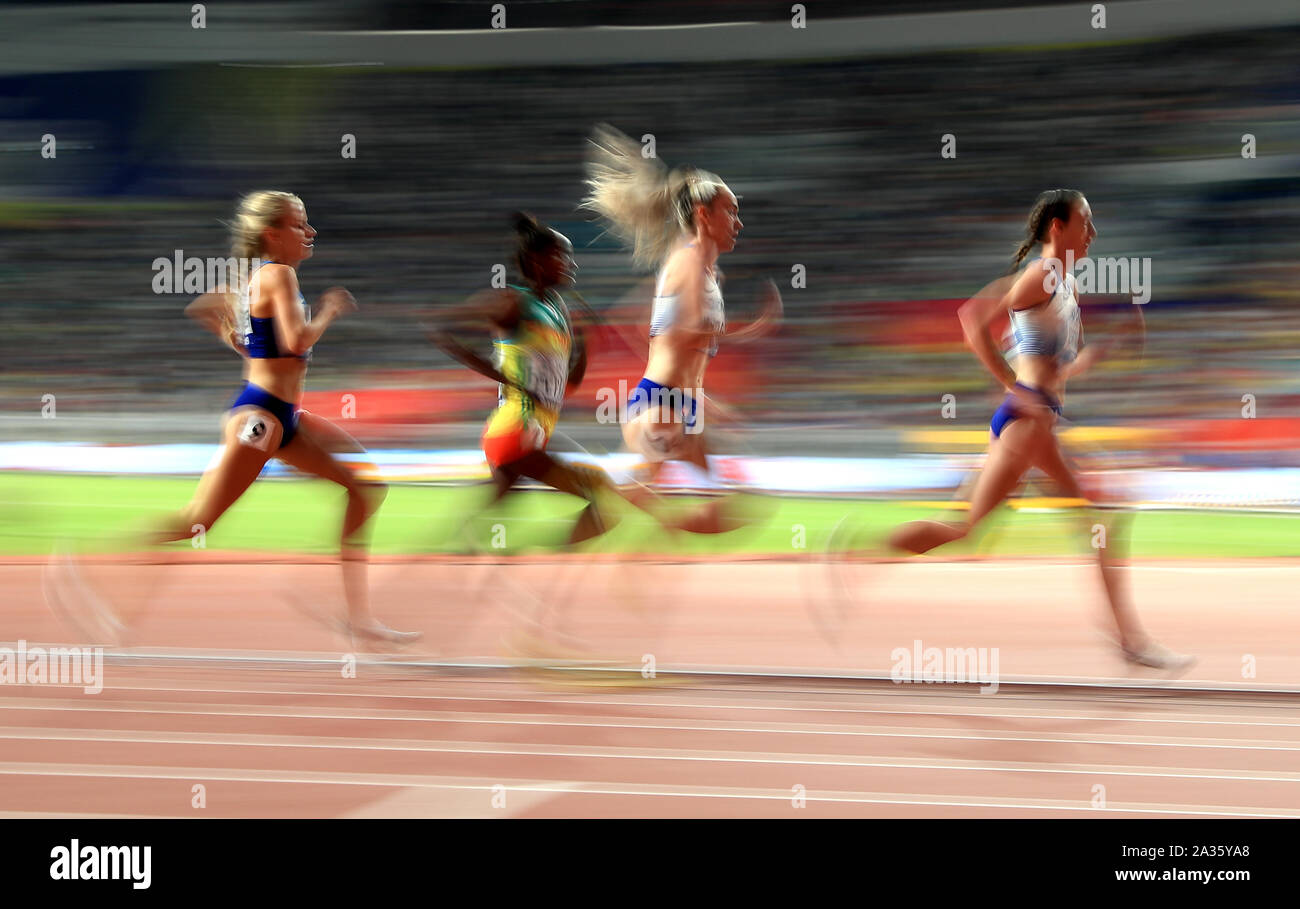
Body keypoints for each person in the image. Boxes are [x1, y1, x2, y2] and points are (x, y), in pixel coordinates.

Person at [49, 190, 417, 646]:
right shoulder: (277, 275)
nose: (311, 231)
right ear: (273, 234)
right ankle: (84, 564)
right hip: (260, 417)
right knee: (197, 521)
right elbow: (298, 340)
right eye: (301, 224)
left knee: (366, 487)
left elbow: (205, 308)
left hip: (285, 416)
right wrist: (329, 311)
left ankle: (358, 619)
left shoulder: (257, 279)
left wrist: (241, 340)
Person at [886, 189, 1191, 670]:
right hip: (1028, 422)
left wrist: (1100, 352)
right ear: (1058, 228)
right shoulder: (1043, 275)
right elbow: (972, 321)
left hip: (1033, 419)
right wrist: (1015, 387)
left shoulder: (1061, 284)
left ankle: (859, 549)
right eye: (1085, 222)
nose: (1093, 232)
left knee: (968, 529)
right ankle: (1131, 642)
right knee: (1095, 518)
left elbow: (1050, 366)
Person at [581, 124, 781, 533]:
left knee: (722, 509)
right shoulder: (689, 261)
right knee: (700, 506)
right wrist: (752, 329)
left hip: (676, 403)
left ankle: (568, 556)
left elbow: (656, 328)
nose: (738, 222)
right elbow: (688, 329)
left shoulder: (703, 270)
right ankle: (553, 561)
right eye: (731, 211)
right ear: (703, 215)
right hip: (662, 405)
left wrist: (693, 387)